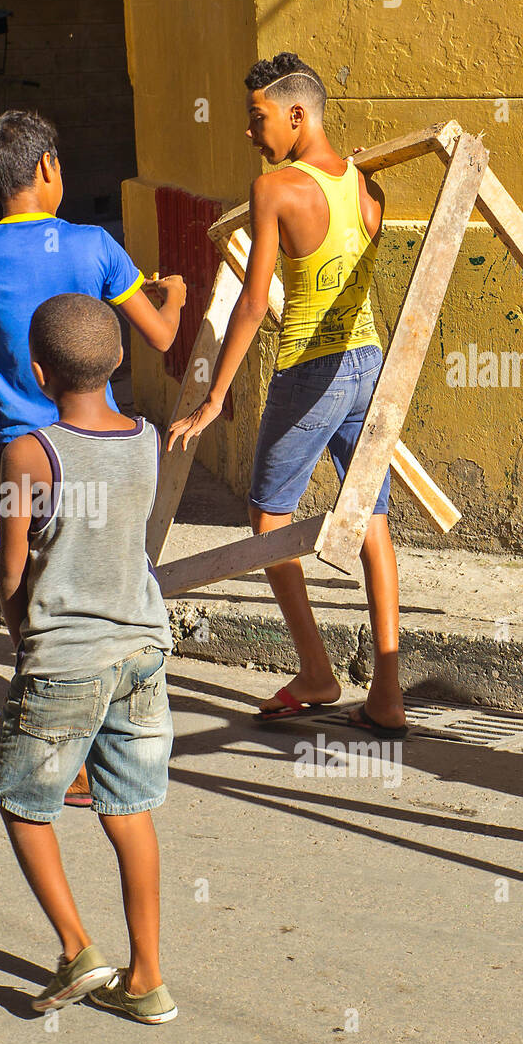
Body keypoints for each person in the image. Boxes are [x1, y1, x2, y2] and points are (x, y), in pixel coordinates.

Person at [0, 109, 186, 805]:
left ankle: (56, 745)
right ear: (47, 168)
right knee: (103, 587)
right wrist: (175, 294)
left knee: (34, 594)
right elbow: (162, 337)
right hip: (99, 451)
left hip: (23, 456)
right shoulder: (93, 244)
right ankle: (113, 750)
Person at [168, 53, 407, 738]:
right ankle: (386, 694)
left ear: (296, 115)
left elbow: (252, 301)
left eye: (257, 117)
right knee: (372, 520)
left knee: (268, 518)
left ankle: (316, 670)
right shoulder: (367, 184)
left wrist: (214, 398)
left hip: (309, 367)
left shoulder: (274, 188)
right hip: (369, 361)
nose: (251, 132)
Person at [0, 292, 177, 1023]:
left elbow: (12, 573)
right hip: (140, 649)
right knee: (128, 810)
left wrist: (21, 632)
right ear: (120, 359)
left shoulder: (27, 452)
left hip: (66, 657)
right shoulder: (147, 436)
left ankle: (77, 950)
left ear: (37, 370)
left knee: (23, 802)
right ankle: (147, 978)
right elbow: (104, 531)